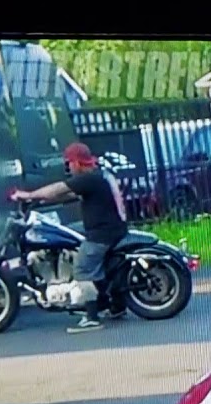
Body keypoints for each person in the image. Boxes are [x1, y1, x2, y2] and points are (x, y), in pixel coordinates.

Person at [11, 142, 128, 333]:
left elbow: (59, 188)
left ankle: (91, 318)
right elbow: (66, 194)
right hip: (112, 229)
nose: (68, 167)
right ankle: (115, 306)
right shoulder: (98, 176)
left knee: (82, 268)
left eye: (69, 162)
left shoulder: (87, 178)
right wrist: (38, 199)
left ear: (77, 163)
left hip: (103, 234)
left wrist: (27, 195)